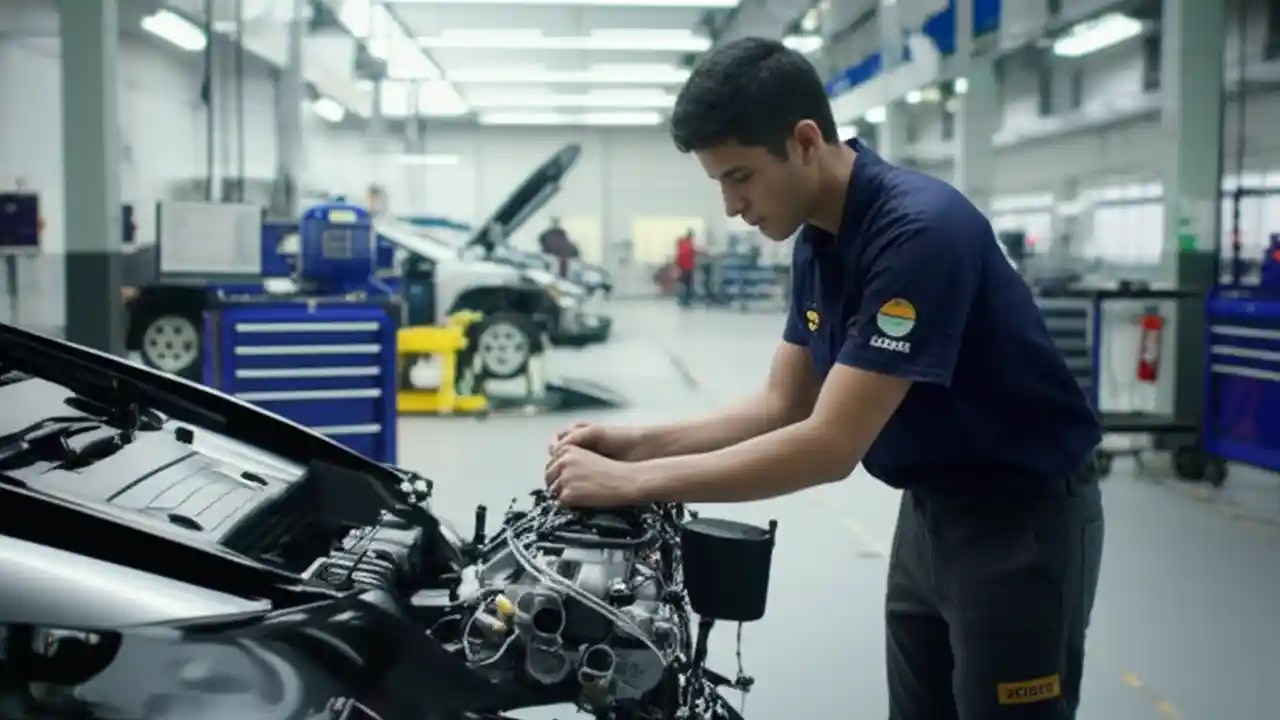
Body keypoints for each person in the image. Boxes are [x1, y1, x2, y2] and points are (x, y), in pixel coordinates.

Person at [544, 37, 1105, 720]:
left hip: (1018, 525)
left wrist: (632, 484)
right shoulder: (819, 236)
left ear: (805, 141)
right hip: (929, 516)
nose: (731, 206)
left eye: (741, 176)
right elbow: (783, 404)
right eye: (720, 182)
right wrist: (633, 443)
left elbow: (828, 446)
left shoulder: (919, 232)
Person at [675, 229, 697, 306]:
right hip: (685, 267)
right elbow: (687, 252)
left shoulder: (685, 243)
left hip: (687, 267)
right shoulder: (685, 243)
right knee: (685, 284)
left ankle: (685, 299)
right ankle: (684, 299)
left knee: (686, 284)